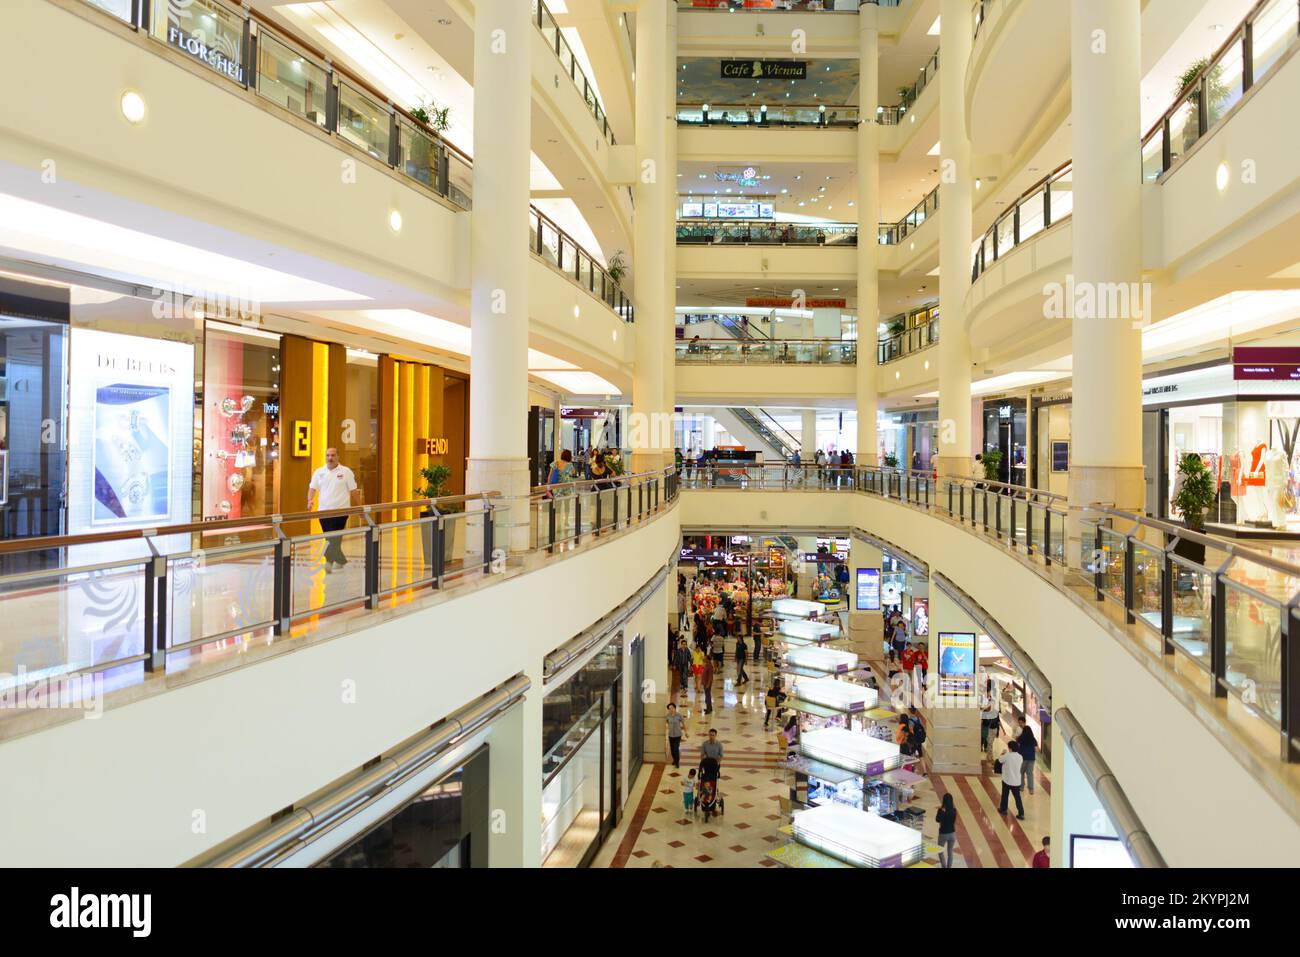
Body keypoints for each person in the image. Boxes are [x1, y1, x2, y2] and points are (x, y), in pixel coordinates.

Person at [308, 447, 361, 573]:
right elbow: (312, 488)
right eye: (328, 455)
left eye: (332, 455)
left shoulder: (346, 472)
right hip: (324, 512)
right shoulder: (319, 472)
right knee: (331, 538)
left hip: (341, 512)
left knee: (334, 538)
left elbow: (354, 491)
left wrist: (360, 507)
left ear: (338, 457)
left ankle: (329, 562)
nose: (330, 458)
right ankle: (341, 560)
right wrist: (309, 500)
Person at [996, 739, 1026, 820]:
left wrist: (1003, 753)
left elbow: (999, 760)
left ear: (1011, 748)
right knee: (1017, 797)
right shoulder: (1020, 757)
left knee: (1005, 795)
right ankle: (1021, 813)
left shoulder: (1007, 755)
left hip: (1007, 780)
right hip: (1016, 781)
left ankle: (1003, 810)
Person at [935, 793, 958, 868]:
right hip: (952, 834)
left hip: (943, 834)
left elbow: (937, 820)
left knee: (940, 851)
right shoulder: (954, 810)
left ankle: (944, 866)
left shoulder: (941, 810)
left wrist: (942, 811)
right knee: (950, 852)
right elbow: (953, 820)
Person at [1017, 717, 1038, 795]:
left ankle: (1021, 787)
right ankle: (1031, 789)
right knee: (1030, 773)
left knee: (1021, 772)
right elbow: (1036, 748)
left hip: (1023, 758)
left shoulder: (1021, 738)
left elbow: (1018, 746)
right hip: (1031, 758)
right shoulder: (1033, 739)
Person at [665, 703, 687, 769]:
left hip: (678, 735)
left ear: (675, 708)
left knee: (676, 748)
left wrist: (686, 732)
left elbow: (683, 724)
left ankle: (677, 762)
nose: (671, 710)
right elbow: (666, 724)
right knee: (672, 749)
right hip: (670, 735)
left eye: (672, 708)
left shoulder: (679, 715)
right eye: (669, 709)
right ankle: (674, 760)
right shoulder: (667, 716)